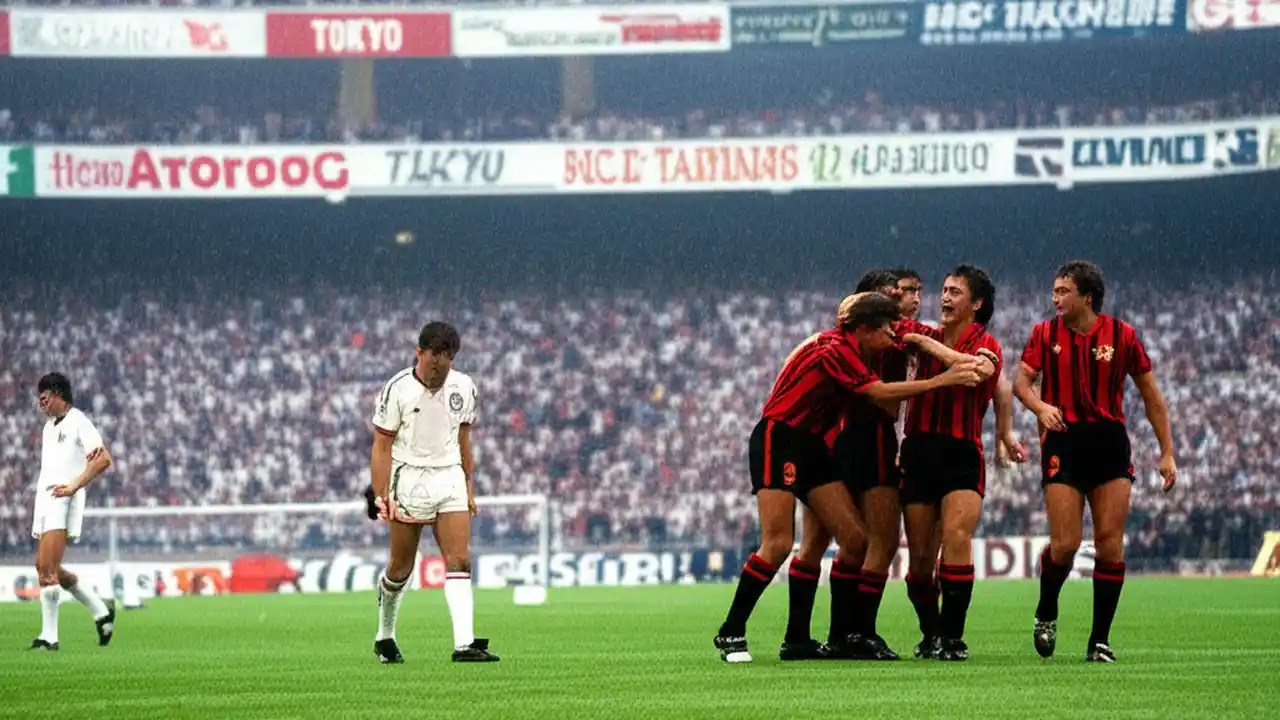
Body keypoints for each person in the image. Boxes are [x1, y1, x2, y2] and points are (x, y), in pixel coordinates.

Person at [714, 292, 982, 663]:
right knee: (777, 542)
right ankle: (731, 631)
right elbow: (879, 393)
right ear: (864, 329)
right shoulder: (835, 349)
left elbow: (904, 344)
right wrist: (945, 379)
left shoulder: (849, 344)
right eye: (885, 328)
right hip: (781, 437)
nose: (892, 334)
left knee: (855, 540)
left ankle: (810, 639)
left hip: (812, 446)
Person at [1013, 260, 1176, 663]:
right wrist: (1039, 406)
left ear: (1087, 296)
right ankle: (1046, 610)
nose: (1055, 299)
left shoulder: (1122, 336)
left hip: (1108, 443)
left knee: (1109, 545)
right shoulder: (1043, 333)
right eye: (1053, 291)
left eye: (1063, 291)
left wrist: (1167, 450)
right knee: (1066, 544)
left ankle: (1099, 640)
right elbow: (1021, 383)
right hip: (1064, 441)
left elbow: (1152, 396)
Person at [789, 270, 911, 660]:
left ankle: (805, 636)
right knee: (881, 539)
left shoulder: (840, 338)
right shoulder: (888, 337)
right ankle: (855, 632)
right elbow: (884, 398)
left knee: (823, 542)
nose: (906, 299)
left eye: (908, 292)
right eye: (894, 294)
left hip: (827, 441)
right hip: (867, 435)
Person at [368, 322, 499, 664]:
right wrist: (380, 493)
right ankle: (385, 635)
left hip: (449, 476)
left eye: (446, 361)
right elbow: (381, 445)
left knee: (459, 560)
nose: (438, 369)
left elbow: (463, 439)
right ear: (419, 354)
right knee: (400, 568)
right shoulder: (397, 389)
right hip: (408, 477)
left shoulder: (464, 387)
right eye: (432, 361)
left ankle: (464, 644)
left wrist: (469, 486)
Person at [896, 265, 1006, 661]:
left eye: (955, 292)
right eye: (943, 290)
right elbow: (892, 330)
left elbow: (978, 372)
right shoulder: (922, 334)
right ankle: (931, 633)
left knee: (957, 536)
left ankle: (954, 637)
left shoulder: (988, 344)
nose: (944, 297)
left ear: (976, 303)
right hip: (919, 451)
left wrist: (930, 347)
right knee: (920, 561)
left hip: (962, 452)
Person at [29, 372, 116, 651]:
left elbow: (103, 458)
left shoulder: (78, 420)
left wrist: (74, 485)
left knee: (48, 570)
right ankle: (100, 608)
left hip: (61, 497)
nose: (40, 402)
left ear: (57, 394)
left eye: (44, 396)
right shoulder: (49, 427)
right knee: (42, 565)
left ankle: (49, 638)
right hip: (45, 498)